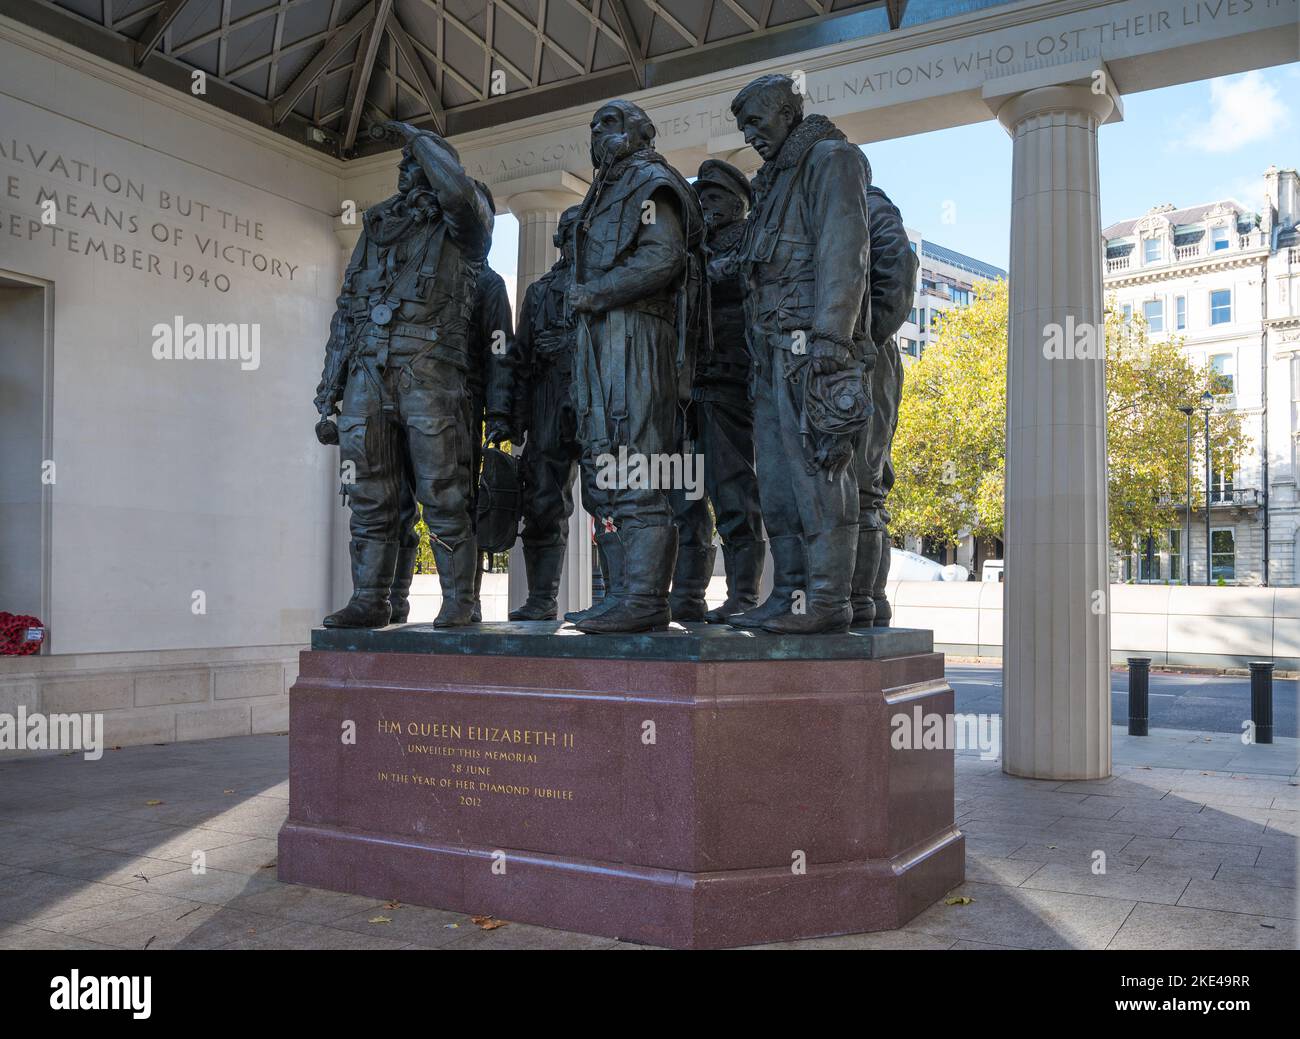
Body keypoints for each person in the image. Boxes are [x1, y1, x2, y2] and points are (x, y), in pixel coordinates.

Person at [314, 121, 492, 628]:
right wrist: (329, 392)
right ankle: (370, 596)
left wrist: (418, 137)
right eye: (405, 163)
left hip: (430, 372)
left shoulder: (465, 220)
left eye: (416, 162)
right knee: (369, 495)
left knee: (444, 490)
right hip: (367, 374)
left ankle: (461, 598)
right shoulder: (377, 227)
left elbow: (456, 192)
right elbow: (347, 309)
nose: (406, 170)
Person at [726, 74, 873, 635]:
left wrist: (832, 343)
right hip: (770, 356)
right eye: (743, 127)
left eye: (757, 122)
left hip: (812, 353)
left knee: (820, 475)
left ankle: (829, 601)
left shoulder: (831, 159)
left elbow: (846, 252)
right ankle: (788, 594)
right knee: (778, 485)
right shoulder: (772, 182)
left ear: (787, 112)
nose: (751, 134)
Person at [566, 100, 705, 634]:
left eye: (610, 122)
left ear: (642, 132)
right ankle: (623, 595)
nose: (598, 131)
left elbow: (661, 257)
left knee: (638, 461)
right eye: (593, 123)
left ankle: (645, 598)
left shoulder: (650, 182)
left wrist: (594, 293)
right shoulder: (608, 190)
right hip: (603, 335)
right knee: (608, 462)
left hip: (638, 335)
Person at [667, 159, 765, 623]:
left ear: (739, 201)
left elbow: (746, 277)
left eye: (716, 197)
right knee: (682, 497)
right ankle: (686, 594)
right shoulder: (690, 251)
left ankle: (744, 595)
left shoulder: (750, 238)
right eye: (702, 198)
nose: (706, 207)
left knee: (733, 491)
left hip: (729, 383)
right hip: (684, 390)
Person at [502, 206, 582, 621]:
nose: (575, 239)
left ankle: (625, 597)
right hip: (547, 398)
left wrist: (569, 345)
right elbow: (518, 357)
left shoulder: (613, 281)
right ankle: (542, 598)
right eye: (569, 231)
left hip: (599, 395)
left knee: (616, 497)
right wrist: (514, 417)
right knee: (542, 501)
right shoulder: (538, 292)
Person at [851, 181, 918, 627]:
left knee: (865, 484)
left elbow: (897, 269)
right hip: (837, 355)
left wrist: (865, 337)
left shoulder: (867, 203)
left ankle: (866, 599)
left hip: (865, 358)